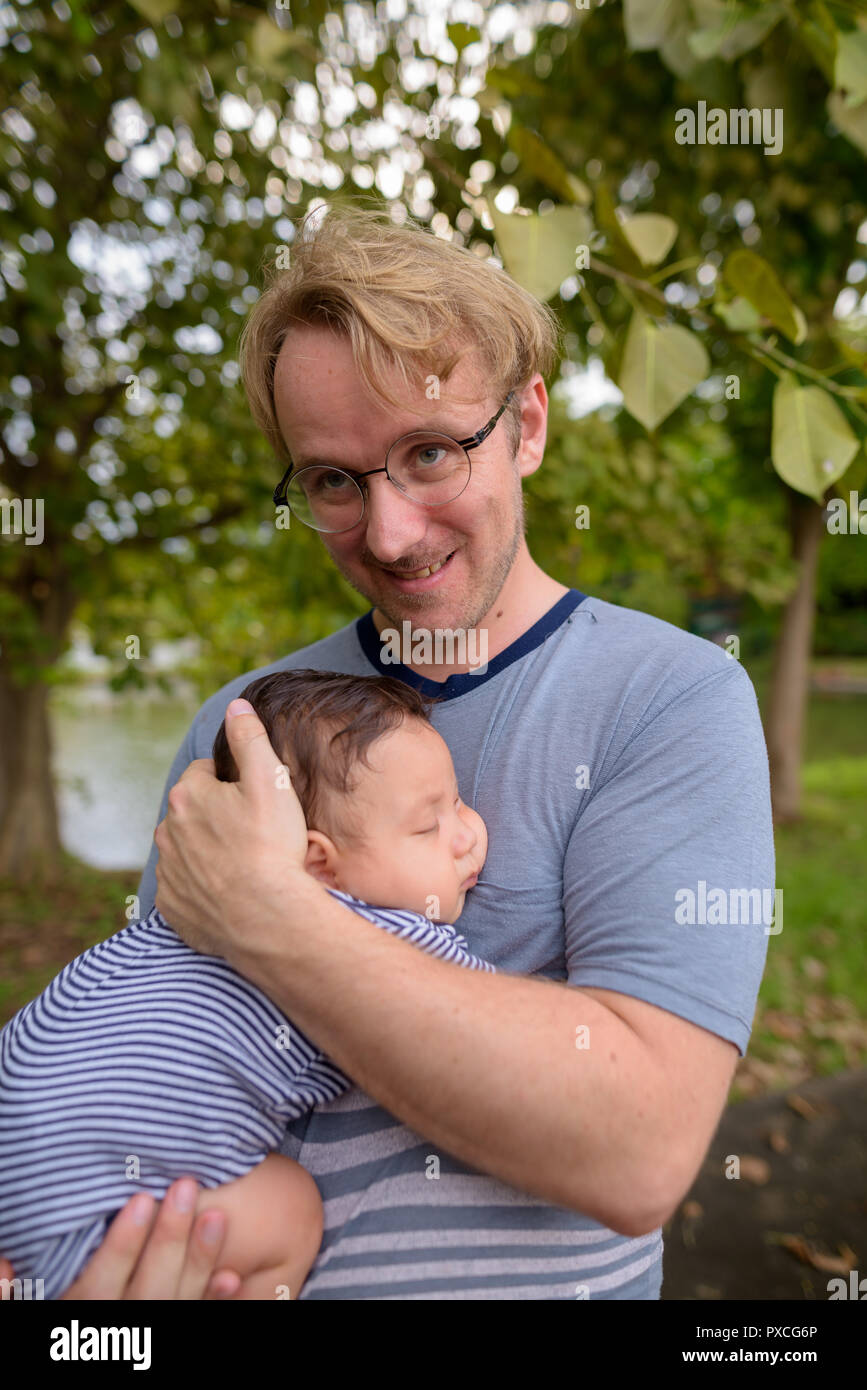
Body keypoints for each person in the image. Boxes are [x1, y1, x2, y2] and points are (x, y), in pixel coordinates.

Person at [0, 203, 774, 1300]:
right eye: (332, 480)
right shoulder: (246, 723)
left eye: (429, 453)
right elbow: (155, 1055)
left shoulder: (672, 700)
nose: (391, 532)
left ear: (530, 426)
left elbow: (638, 1147)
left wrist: (272, 913)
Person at [0, 670, 493, 1300]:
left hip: (25, 1146)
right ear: (318, 864)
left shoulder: (191, 898)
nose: (469, 832)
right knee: (289, 1206)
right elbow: (500, 1041)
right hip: (86, 1228)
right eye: (429, 827)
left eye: (457, 803)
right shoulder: (397, 934)